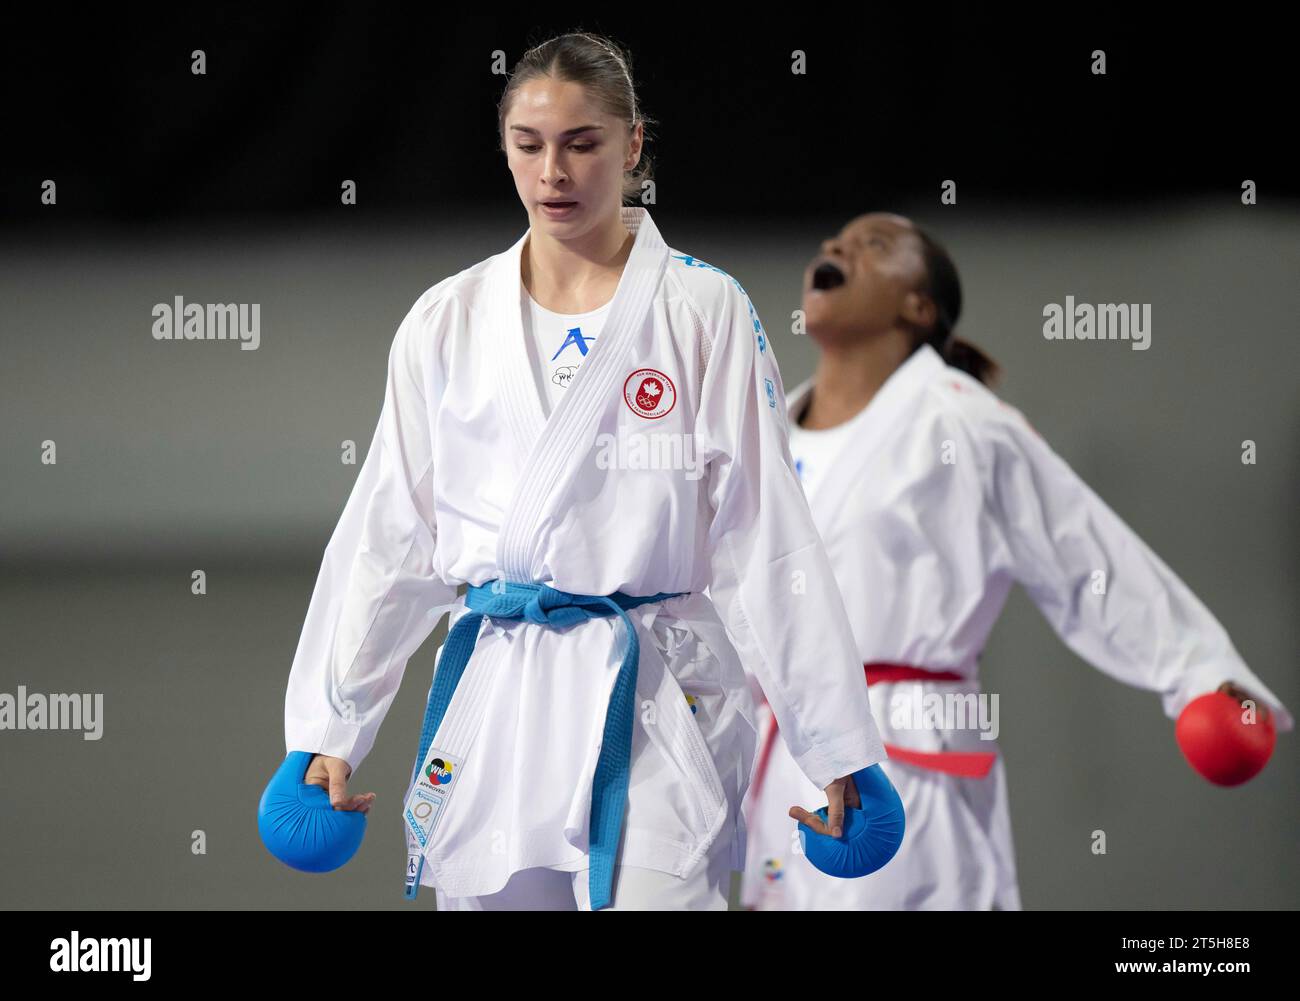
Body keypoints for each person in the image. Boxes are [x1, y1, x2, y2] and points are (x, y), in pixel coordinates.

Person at [279, 33, 890, 911]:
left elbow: (765, 533)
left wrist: (832, 742)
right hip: (503, 687)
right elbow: (391, 534)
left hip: (652, 684)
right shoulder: (445, 319)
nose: (552, 172)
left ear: (633, 144)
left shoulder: (700, 307)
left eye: (581, 143)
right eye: (528, 145)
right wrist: (329, 728)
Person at [740, 212, 1292, 910]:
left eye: (873, 245)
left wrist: (1200, 672)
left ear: (919, 305)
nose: (836, 247)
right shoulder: (767, 429)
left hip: (908, 757)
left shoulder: (962, 423)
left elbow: (1083, 551)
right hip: (785, 761)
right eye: (834, 241)